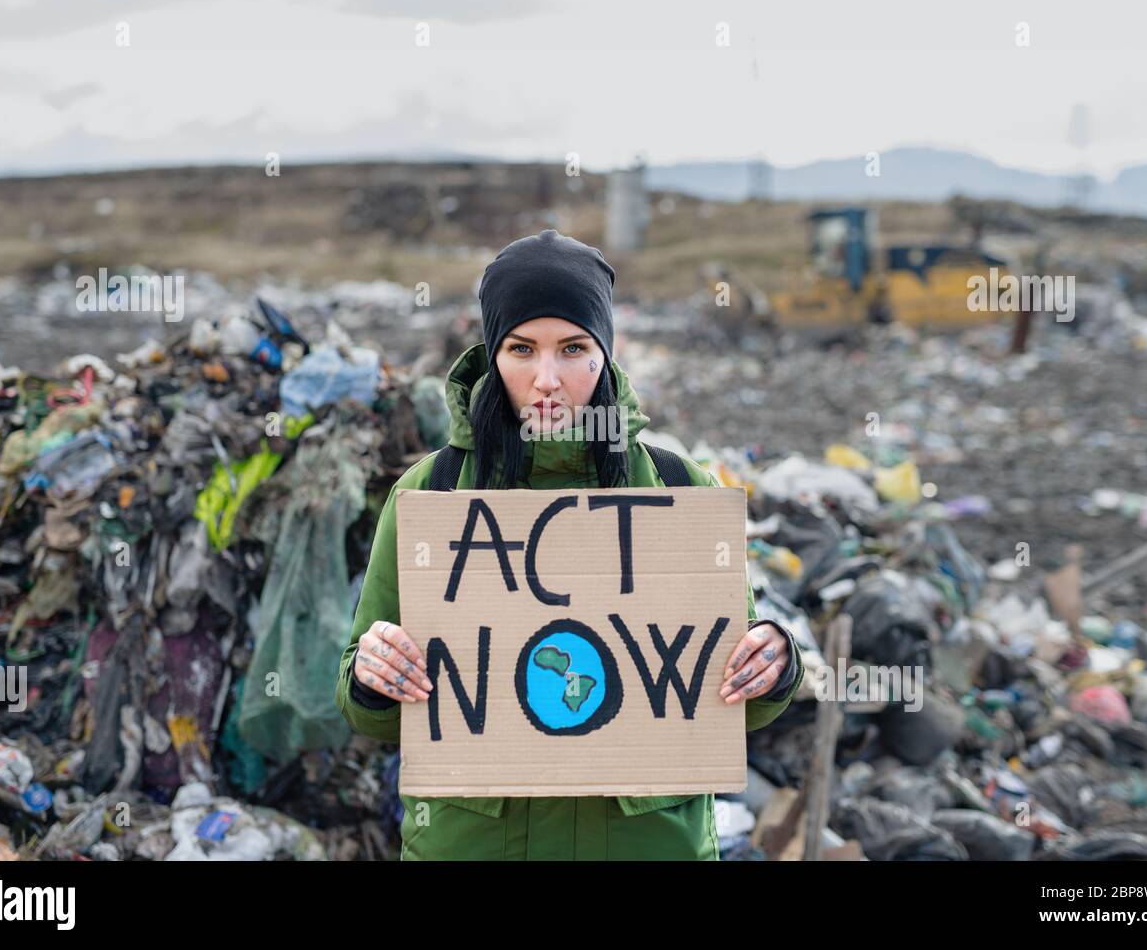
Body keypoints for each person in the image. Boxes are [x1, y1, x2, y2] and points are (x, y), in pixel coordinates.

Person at [335, 229, 805, 860]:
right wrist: (370, 674)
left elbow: (733, 701)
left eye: (573, 348)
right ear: (492, 353)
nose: (547, 378)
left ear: (604, 356)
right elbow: (373, 713)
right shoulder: (433, 495)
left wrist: (773, 662)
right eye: (522, 349)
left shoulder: (677, 487)